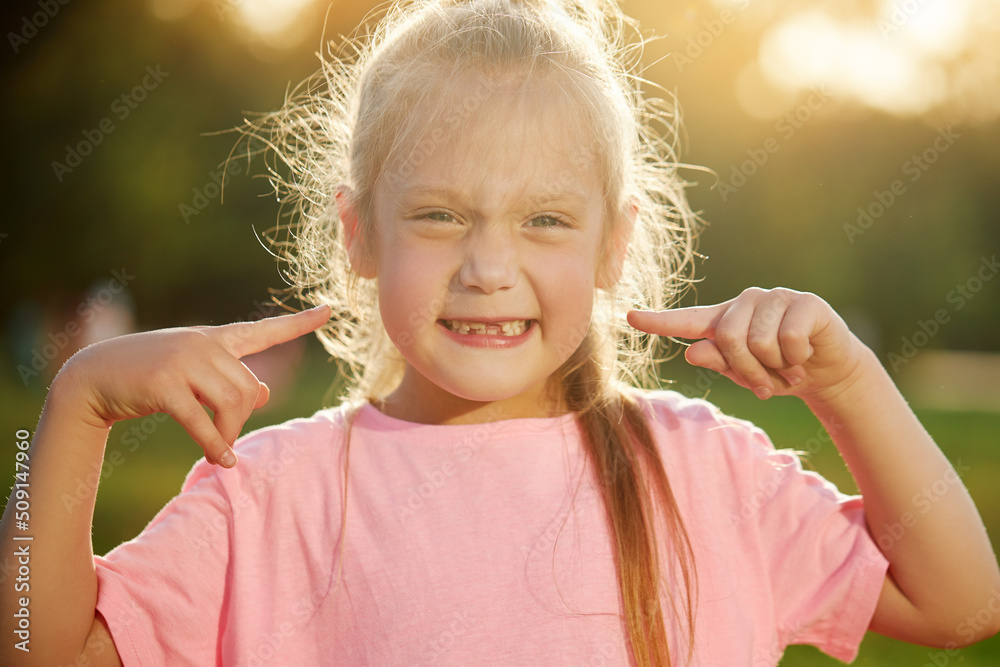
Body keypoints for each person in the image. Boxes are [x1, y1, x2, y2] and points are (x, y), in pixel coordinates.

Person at [2, 0, 998, 665]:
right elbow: (31, 643)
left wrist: (852, 381)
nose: (488, 265)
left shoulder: (705, 470)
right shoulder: (266, 492)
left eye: (545, 220)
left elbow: (960, 605)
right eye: (438, 214)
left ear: (614, 245)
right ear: (359, 236)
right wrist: (77, 400)